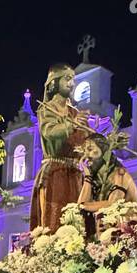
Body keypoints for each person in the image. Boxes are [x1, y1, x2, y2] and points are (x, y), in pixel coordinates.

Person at [29, 64, 89, 233]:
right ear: (54, 83)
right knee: (55, 221)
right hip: (56, 171)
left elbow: (82, 143)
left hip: (76, 174)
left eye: (73, 80)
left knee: (78, 222)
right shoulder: (47, 109)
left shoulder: (74, 112)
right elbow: (50, 132)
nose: (72, 83)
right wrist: (73, 123)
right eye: (67, 79)